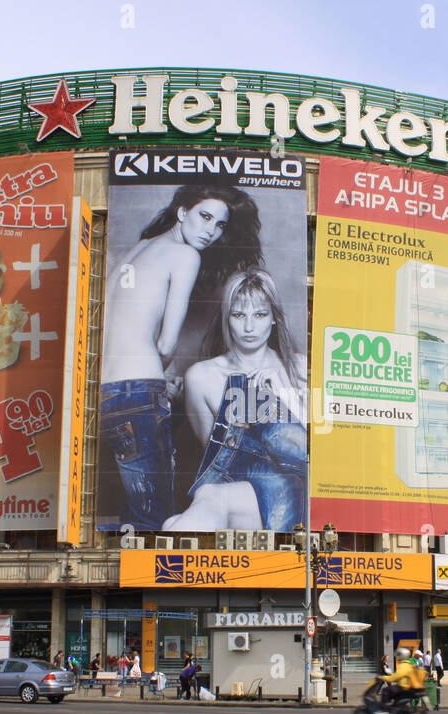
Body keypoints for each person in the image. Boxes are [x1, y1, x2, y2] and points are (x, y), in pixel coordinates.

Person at [99, 185, 262, 530]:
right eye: (205, 216)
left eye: (219, 225)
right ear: (182, 211)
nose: (211, 231)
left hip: (105, 391)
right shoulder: (184, 256)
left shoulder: (137, 250)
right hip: (139, 392)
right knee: (154, 518)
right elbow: (165, 344)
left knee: (133, 514)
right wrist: (159, 378)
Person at [164, 268, 307, 532]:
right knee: (200, 500)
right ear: (226, 318)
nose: (249, 327)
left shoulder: (299, 368)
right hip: (239, 488)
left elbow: (313, 455)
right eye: (239, 315)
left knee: (203, 502)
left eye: (260, 314)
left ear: (274, 317)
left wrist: (277, 396)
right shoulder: (202, 377)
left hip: (297, 489)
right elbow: (219, 460)